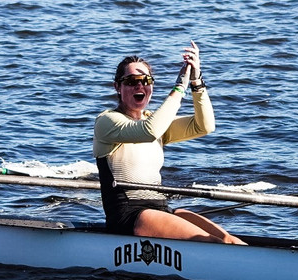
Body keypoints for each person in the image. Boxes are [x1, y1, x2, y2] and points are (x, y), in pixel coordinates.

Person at [92, 43, 243, 244]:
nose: (139, 86)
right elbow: (149, 131)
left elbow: (204, 126)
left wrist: (196, 81)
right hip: (128, 216)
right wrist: (179, 87)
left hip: (160, 208)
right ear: (117, 87)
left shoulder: (154, 120)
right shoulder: (107, 121)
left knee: (230, 241)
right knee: (214, 243)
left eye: (146, 80)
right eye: (131, 81)